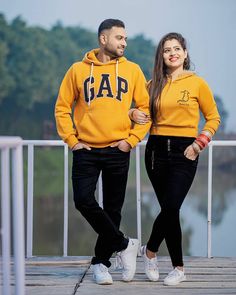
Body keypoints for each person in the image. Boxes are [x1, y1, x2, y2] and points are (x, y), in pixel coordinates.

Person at [55, 19, 151, 285]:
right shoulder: (77, 70)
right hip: (85, 148)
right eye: (119, 38)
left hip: (118, 148)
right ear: (102, 39)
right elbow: (62, 107)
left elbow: (145, 110)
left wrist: (131, 140)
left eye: (125, 39)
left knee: (113, 208)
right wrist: (72, 140)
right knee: (82, 200)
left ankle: (101, 263)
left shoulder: (132, 70)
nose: (124, 43)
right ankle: (124, 244)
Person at [129, 32, 220, 285]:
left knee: (171, 207)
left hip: (185, 151)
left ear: (185, 53)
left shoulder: (197, 83)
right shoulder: (152, 84)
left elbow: (213, 117)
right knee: (170, 212)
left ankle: (154, 253)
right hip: (156, 151)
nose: (173, 53)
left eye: (177, 48)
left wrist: (199, 143)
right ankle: (175, 266)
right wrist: (132, 112)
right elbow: (135, 109)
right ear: (162, 56)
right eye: (167, 49)